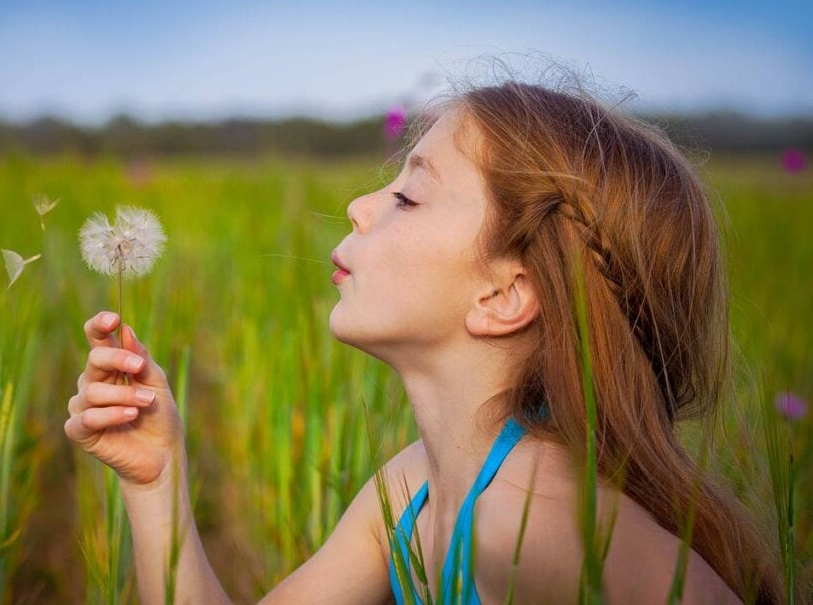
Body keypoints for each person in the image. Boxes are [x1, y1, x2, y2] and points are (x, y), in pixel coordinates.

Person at [65, 74, 784, 604]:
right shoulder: (415, 488)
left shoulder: (541, 529)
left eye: (408, 196)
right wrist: (156, 478)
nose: (357, 206)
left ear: (504, 295)